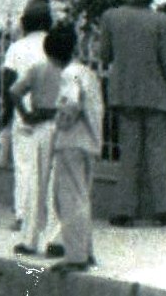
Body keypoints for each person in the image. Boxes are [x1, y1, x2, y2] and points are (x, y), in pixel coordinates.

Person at [99, 0, 166, 227]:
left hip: (124, 93)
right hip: (156, 94)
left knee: (129, 152)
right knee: (157, 152)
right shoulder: (163, 22)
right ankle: (162, 208)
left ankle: (124, 209)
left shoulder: (111, 18)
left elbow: (104, 55)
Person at [48, 22, 105, 274]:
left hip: (71, 141)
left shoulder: (68, 74)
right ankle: (86, 251)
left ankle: (75, 256)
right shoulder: (87, 72)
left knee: (68, 199)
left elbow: (70, 103)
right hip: (90, 142)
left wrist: (59, 123)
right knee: (82, 198)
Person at [1, 0, 57, 241]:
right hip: (49, 113)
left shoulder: (16, 48)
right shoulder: (54, 45)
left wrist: (7, 117)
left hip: (23, 112)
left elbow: (7, 84)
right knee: (48, 167)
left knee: (24, 166)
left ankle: (23, 215)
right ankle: (46, 215)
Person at [8, 19, 63, 257]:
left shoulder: (38, 69)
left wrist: (26, 115)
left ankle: (29, 239)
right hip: (62, 129)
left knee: (35, 183)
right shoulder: (72, 72)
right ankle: (56, 240)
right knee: (58, 186)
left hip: (39, 128)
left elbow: (14, 92)